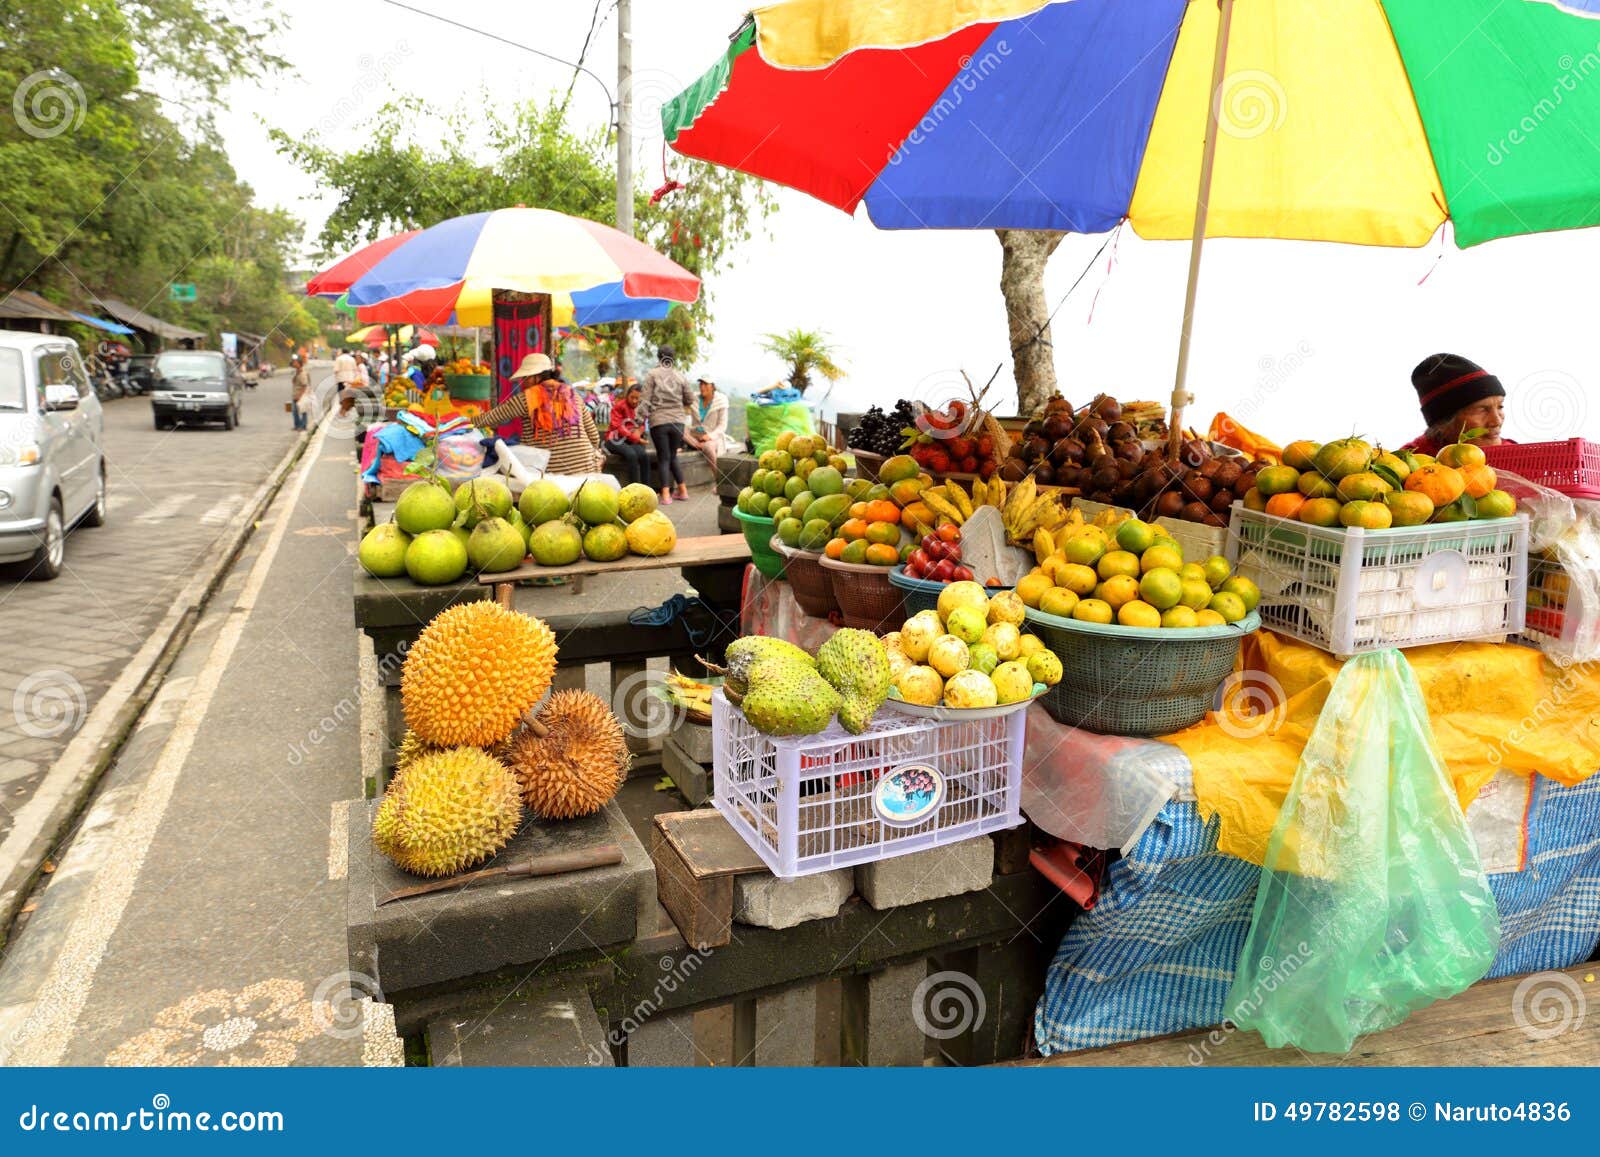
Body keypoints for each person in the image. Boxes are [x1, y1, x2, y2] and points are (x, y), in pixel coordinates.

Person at [475, 353, 604, 475]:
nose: (522, 382)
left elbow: (488, 419)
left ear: (536, 377)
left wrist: (461, 423)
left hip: (547, 473)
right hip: (588, 469)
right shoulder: (573, 394)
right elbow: (594, 437)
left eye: (524, 378)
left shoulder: (526, 398)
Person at [1405, 353, 1509, 455]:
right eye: (1481, 409)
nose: (1497, 421)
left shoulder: (1518, 456)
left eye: (1500, 406)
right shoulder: (1406, 466)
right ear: (1443, 424)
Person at [637, 345, 695, 504]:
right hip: (678, 422)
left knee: (663, 457)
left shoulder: (652, 374)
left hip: (659, 421)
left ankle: (666, 495)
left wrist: (639, 421)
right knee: (673, 455)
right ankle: (682, 490)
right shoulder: (680, 376)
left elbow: (645, 399)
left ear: (658, 357)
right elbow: (689, 399)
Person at [604, 382, 651, 486]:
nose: (634, 401)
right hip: (613, 439)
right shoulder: (619, 406)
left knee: (644, 456)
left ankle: (647, 488)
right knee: (631, 455)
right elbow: (618, 427)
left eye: (637, 398)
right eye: (632, 397)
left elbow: (642, 424)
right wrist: (637, 439)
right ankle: (635, 488)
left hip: (630, 441)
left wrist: (639, 431)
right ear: (627, 395)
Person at [683, 376, 733, 470]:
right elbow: (682, 406)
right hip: (695, 436)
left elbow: (722, 425)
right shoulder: (694, 398)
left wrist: (709, 436)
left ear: (713, 387)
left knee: (708, 447)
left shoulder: (721, 400)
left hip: (713, 437)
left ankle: (717, 477)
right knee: (679, 428)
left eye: (705, 384)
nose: (702, 387)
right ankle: (697, 446)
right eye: (701, 384)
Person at [333, 347, 363, 420]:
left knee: (342, 395)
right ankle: (344, 411)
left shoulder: (339, 359)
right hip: (350, 379)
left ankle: (342, 410)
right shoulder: (352, 359)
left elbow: (336, 370)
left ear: (342, 352)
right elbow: (355, 369)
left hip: (341, 379)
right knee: (348, 396)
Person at [291, 354, 312, 431]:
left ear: (299, 364)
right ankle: (297, 425)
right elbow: (293, 382)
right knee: (295, 411)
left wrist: (299, 396)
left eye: (295, 363)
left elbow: (304, 386)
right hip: (295, 394)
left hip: (301, 395)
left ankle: (303, 426)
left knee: (303, 411)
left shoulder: (303, 373)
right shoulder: (297, 372)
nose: (294, 364)